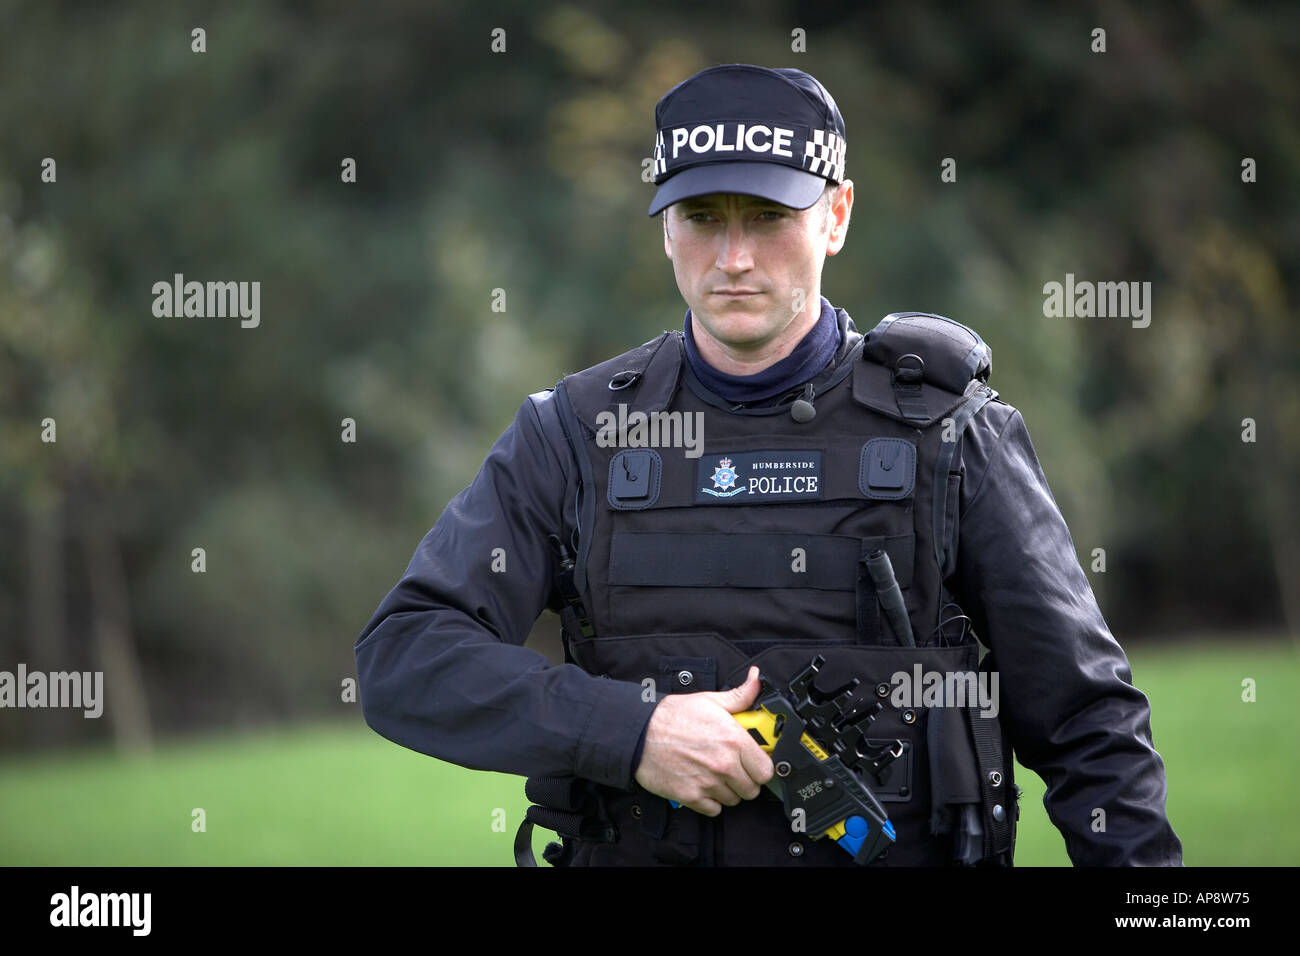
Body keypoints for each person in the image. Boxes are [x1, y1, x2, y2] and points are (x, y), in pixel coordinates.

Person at [354, 63, 1182, 867]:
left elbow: (1089, 730)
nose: (734, 258)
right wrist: (630, 732)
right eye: (703, 217)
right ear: (666, 227)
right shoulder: (573, 433)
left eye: (768, 216)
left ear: (837, 215)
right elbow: (404, 656)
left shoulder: (954, 436)